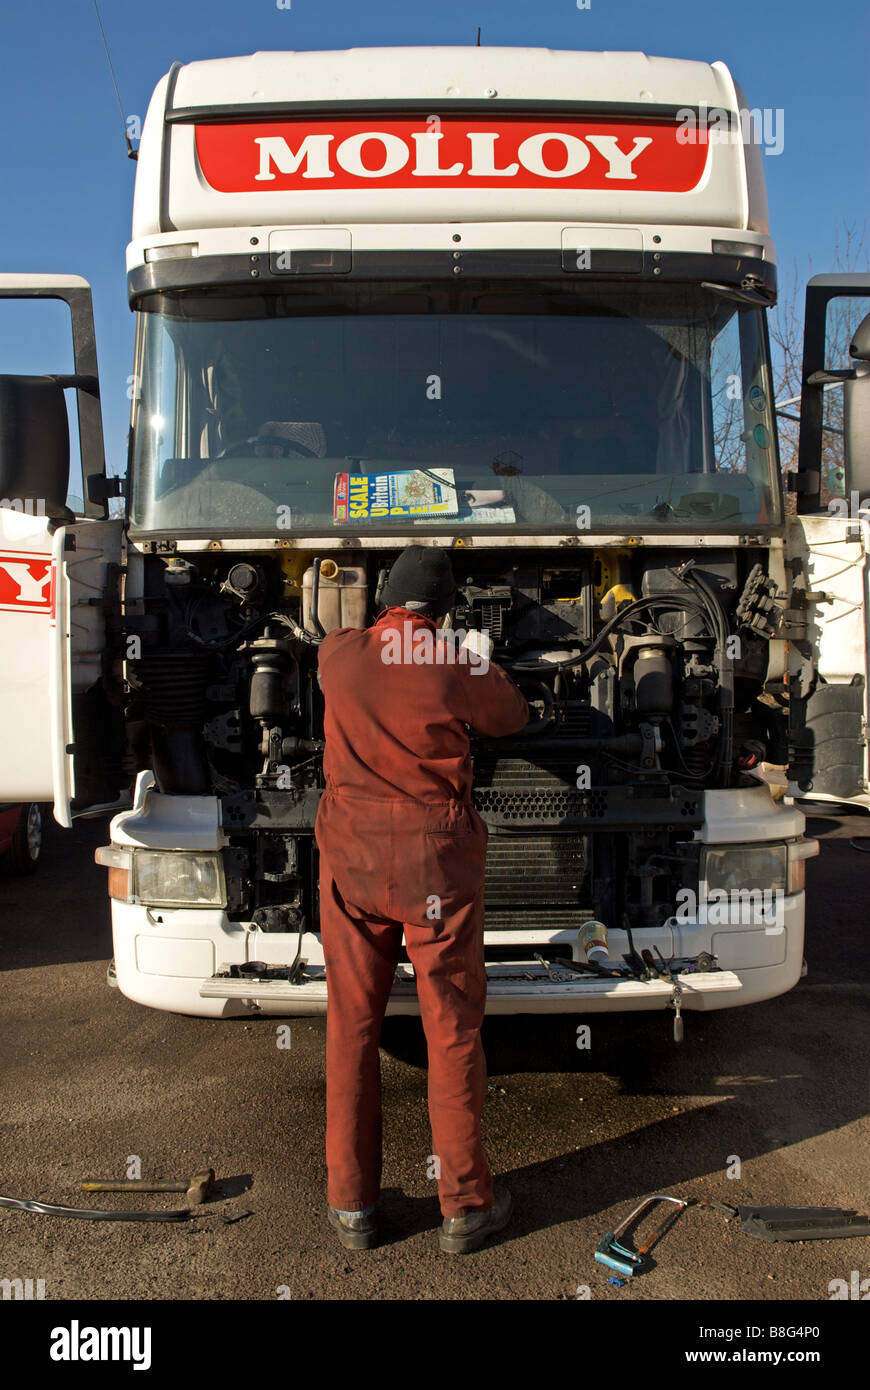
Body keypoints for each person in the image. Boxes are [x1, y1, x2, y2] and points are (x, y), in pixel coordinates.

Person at [314, 544, 530, 1253]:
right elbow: (511, 716)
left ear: (385, 597)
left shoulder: (338, 656)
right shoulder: (453, 661)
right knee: (453, 1029)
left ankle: (353, 1207)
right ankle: (466, 1208)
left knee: (353, 1028)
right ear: (443, 610)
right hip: (435, 869)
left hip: (352, 862)